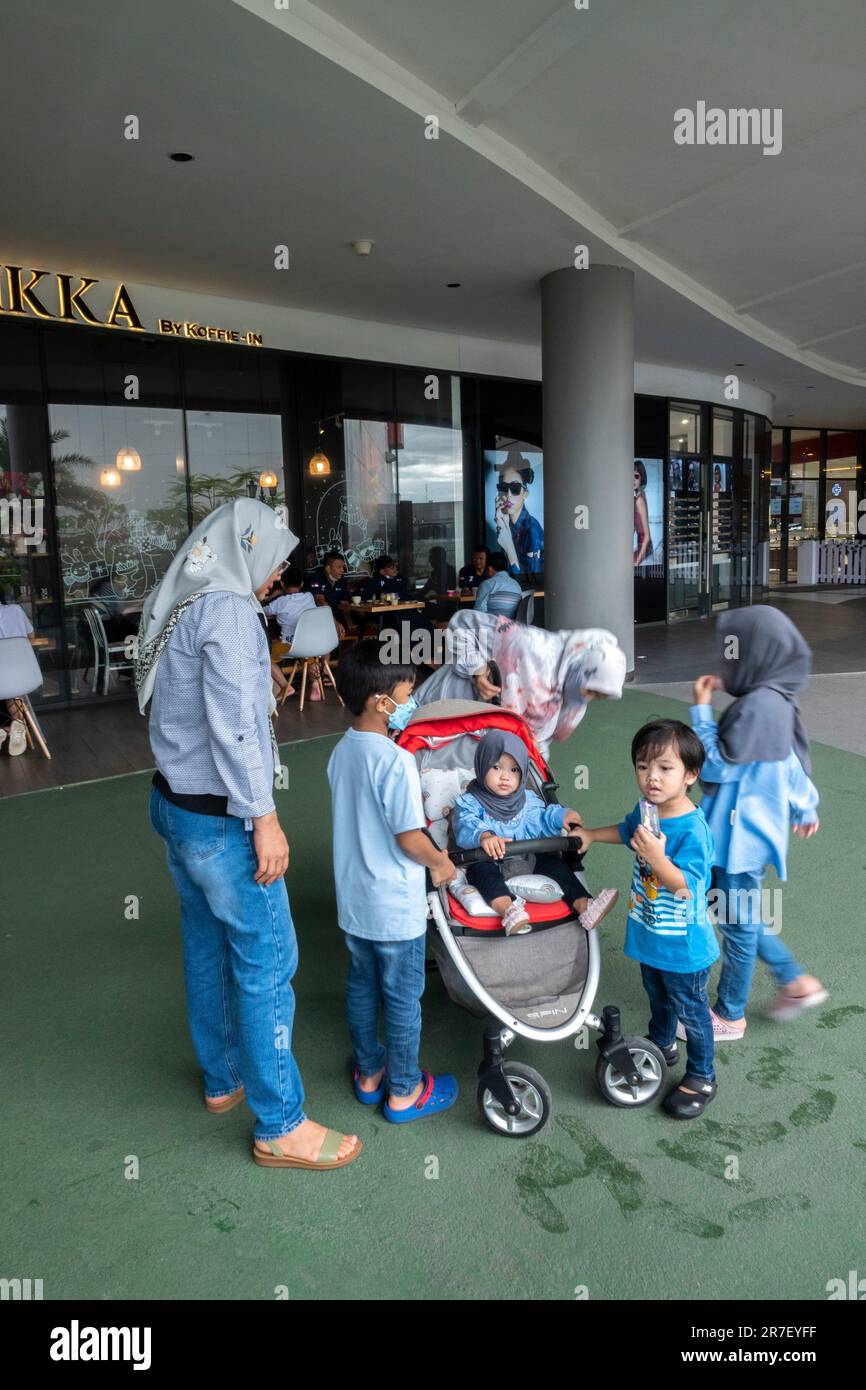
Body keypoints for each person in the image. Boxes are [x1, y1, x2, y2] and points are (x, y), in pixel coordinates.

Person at [138, 499, 361, 1171]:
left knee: (206, 946)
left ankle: (222, 1079)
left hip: (174, 805)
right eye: (271, 557)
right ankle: (280, 1124)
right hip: (221, 818)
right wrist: (264, 818)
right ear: (242, 551)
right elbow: (236, 725)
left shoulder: (187, 596)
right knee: (267, 961)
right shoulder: (230, 612)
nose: (278, 571)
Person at [328, 640, 459, 1124]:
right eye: (405, 694)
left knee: (362, 986)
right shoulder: (395, 761)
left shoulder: (341, 752)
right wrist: (441, 862)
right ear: (379, 701)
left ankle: (368, 1074)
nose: (410, 703)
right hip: (395, 907)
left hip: (355, 901)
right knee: (403, 998)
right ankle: (404, 1091)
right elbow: (408, 837)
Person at [689, 607, 826, 1035]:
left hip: (737, 842)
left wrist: (701, 710)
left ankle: (730, 1014)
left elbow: (714, 766)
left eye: (736, 652)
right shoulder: (776, 701)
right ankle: (794, 979)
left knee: (739, 925)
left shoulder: (759, 708)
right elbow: (791, 765)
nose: (730, 660)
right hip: (738, 837)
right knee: (732, 911)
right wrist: (806, 806)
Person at [576, 719, 718, 1120]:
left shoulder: (692, 828)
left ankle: (702, 1075)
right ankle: (661, 1044)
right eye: (643, 766)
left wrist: (658, 858)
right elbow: (625, 831)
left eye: (665, 768)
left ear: (690, 775)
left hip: (683, 945)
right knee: (657, 996)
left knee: (691, 1012)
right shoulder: (648, 810)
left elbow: (689, 887)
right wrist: (589, 834)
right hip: (651, 934)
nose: (651, 777)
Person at [452, 730, 619, 935]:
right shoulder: (469, 802)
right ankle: (509, 911)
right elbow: (465, 824)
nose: (505, 776)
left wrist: (561, 816)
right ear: (482, 765)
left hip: (526, 858)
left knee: (556, 865)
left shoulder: (527, 800)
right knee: (482, 872)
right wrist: (484, 836)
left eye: (514, 770)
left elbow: (542, 818)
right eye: (496, 767)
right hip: (489, 860)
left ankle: (584, 905)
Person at [415, 610, 627, 756]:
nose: (587, 699)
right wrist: (477, 671)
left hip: (471, 738)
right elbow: (463, 624)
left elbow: (540, 737)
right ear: (579, 671)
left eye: (598, 697)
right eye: (591, 691)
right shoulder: (527, 644)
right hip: (442, 705)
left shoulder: (571, 697)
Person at [492, 450, 544, 577]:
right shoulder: (507, 525)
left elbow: (532, 580)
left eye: (515, 488)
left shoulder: (532, 530)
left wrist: (509, 546)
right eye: (503, 488)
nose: (508, 495)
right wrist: (501, 522)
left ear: (525, 493)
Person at [0, 600, 35, 754]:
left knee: (6, 686)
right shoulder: (16, 610)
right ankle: (17, 724)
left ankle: (4, 729)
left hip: (4, 681)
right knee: (12, 692)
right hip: (26, 676)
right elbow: (31, 636)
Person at [264, 564, 315, 644]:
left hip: (289, 646)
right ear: (301, 583)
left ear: (282, 583)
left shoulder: (281, 601)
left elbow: (262, 611)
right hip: (310, 642)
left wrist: (273, 595)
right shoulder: (309, 596)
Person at [307, 550, 349, 637]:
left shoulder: (342, 580)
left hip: (338, 619)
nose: (342, 570)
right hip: (319, 621)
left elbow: (344, 603)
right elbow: (320, 601)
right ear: (328, 568)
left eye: (343, 567)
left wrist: (350, 623)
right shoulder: (316, 577)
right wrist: (335, 623)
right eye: (338, 567)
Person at [474, 551, 523, 618]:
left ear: (490, 569)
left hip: (493, 626)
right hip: (512, 626)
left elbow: (479, 612)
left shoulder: (487, 584)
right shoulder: (516, 585)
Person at [633, 460, 653, 567]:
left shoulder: (639, 500)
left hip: (645, 546)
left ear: (641, 478)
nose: (633, 479)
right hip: (641, 545)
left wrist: (637, 560)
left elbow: (647, 536)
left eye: (636, 476)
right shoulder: (639, 495)